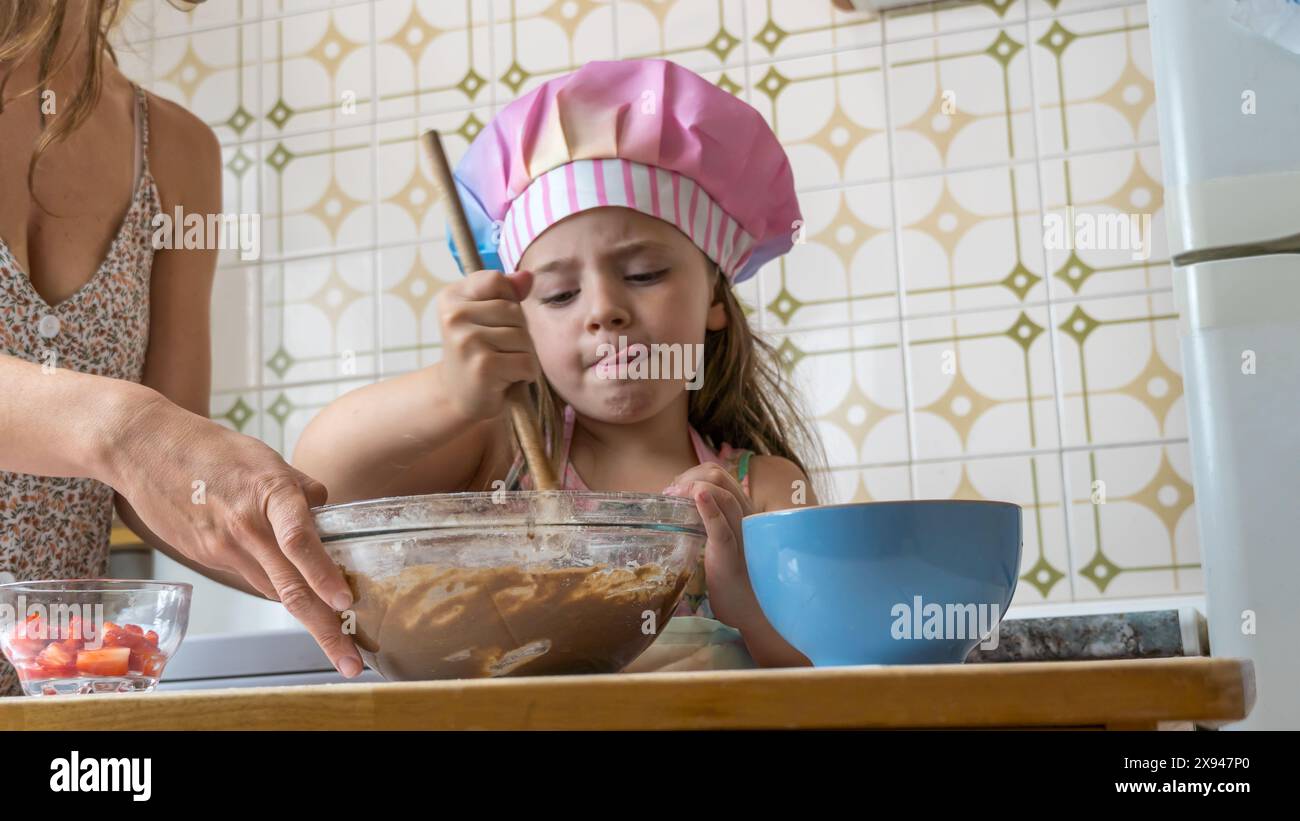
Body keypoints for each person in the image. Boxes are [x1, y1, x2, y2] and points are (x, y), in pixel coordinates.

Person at [295, 59, 824, 667]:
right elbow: (320, 480)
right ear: (522, 323)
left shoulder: (765, 491)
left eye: (644, 274)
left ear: (714, 298)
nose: (603, 311)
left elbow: (822, 671)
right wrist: (449, 392)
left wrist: (742, 601)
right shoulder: (500, 458)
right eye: (559, 294)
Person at [0, 0, 363, 697]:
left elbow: (163, 492)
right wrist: (126, 427)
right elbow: (142, 442)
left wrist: (363, 574)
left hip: (42, 700)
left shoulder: (176, 149)